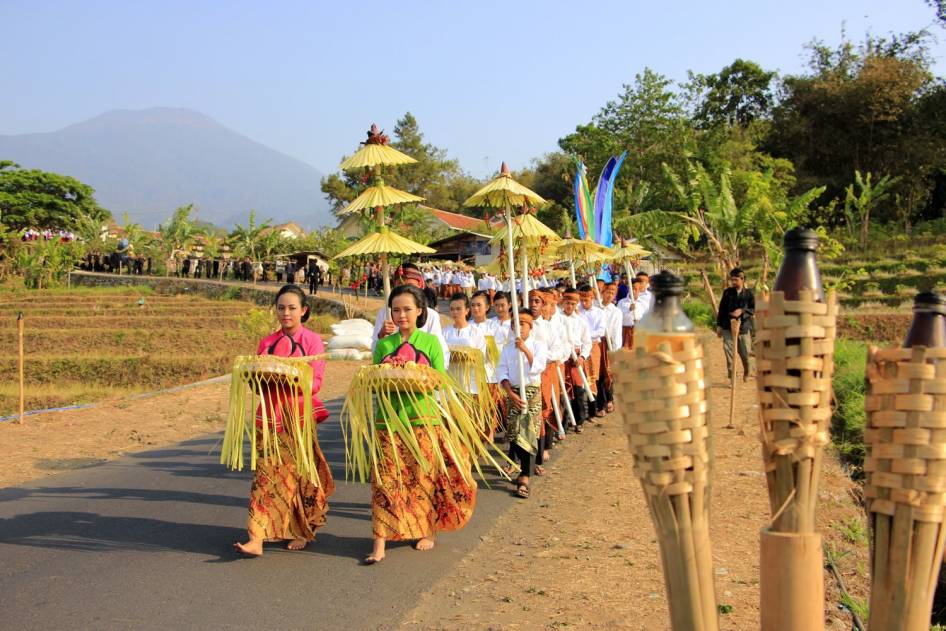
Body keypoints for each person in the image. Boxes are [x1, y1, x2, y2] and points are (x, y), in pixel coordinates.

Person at [366, 285, 477, 564]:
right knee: (384, 481)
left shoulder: (430, 344)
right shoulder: (384, 345)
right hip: (388, 422)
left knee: (422, 479)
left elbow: (439, 379)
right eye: (396, 309)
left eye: (407, 309)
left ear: (420, 312)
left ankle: (426, 529)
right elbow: (374, 381)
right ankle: (379, 541)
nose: (401, 315)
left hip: (422, 420)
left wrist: (416, 376)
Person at [233, 285, 334, 557]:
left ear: (304, 310)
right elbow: (258, 385)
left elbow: (315, 384)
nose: (286, 313)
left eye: (292, 308)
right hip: (268, 416)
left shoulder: (312, 341)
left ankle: (300, 529)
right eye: (281, 308)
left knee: (297, 475)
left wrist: (288, 376)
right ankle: (257, 536)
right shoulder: (267, 342)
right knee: (265, 476)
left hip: (298, 417)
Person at [496, 309, 546, 499]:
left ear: (530, 326)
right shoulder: (507, 349)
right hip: (513, 393)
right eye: (515, 325)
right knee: (515, 432)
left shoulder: (538, 345)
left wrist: (525, 349)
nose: (518, 328)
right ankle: (520, 467)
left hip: (531, 391)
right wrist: (510, 392)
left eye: (522, 324)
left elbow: (538, 366)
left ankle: (525, 475)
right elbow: (502, 372)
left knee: (530, 431)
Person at [371, 263, 450, 364]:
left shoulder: (431, 316)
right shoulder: (384, 313)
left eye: (410, 286)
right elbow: (376, 356)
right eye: (400, 285)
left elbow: (441, 357)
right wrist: (381, 335)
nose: (405, 290)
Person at [560, 287, 592, 432]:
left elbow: (587, 342)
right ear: (563, 302)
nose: (569, 306)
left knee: (578, 390)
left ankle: (579, 421)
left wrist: (582, 356)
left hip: (576, 360)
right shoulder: (557, 319)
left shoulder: (581, 321)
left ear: (576, 304)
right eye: (567, 303)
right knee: (564, 392)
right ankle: (564, 423)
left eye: (573, 304)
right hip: (562, 358)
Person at [716, 267, 755, 382]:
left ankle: (747, 372)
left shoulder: (749, 294)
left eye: (736, 280)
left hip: (743, 328)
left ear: (743, 280)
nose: (733, 282)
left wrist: (742, 311)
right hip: (728, 326)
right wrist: (719, 326)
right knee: (728, 352)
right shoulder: (727, 293)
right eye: (732, 280)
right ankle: (732, 376)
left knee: (745, 354)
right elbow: (722, 309)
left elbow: (753, 309)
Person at [577, 283, 607, 418]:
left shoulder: (599, 312)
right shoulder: (576, 312)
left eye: (586, 300)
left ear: (592, 298)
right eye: (581, 300)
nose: (584, 303)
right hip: (579, 348)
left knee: (593, 376)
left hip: (593, 347)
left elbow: (600, 331)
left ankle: (594, 408)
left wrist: (586, 335)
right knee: (580, 377)